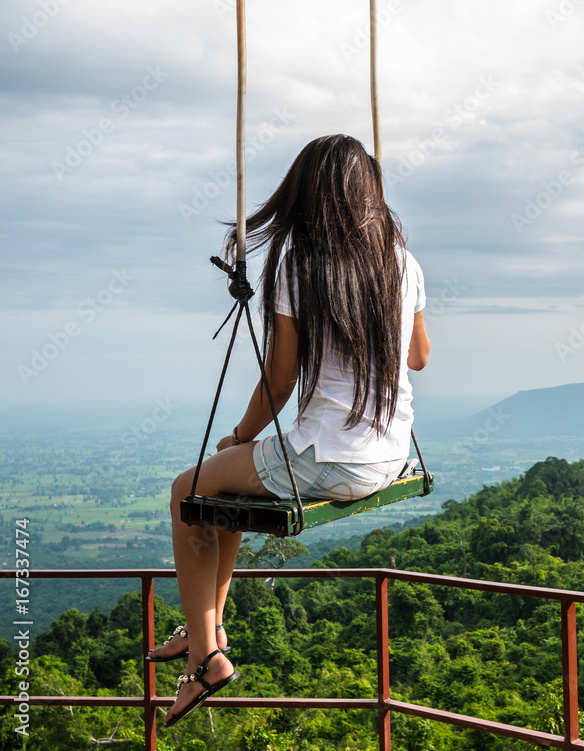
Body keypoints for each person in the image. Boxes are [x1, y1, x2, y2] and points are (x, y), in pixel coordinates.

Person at [146, 134, 430, 727]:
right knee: (219, 496)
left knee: (186, 491)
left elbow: (278, 384)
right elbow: (419, 357)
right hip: (388, 456)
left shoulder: (301, 264)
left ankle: (205, 661)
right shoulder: (402, 261)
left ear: (307, 193)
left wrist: (237, 437)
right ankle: (210, 628)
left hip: (323, 458)